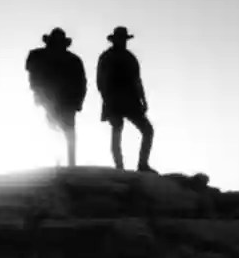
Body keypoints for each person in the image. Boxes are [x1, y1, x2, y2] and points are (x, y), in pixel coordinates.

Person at [26, 27, 88, 167]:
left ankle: (65, 163)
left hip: (63, 101)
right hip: (53, 100)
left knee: (62, 131)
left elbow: (81, 82)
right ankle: (61, 162)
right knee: (58, 130)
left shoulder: (71, 60)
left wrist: (79, 100)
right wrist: (37, 93)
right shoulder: (41, 56)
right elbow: (33, 75)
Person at [96, 26, 155, 172]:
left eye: (123, 39)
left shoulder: (130, 58)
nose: (122, 42)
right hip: (115, 99)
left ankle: (142, 164)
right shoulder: (107, 57)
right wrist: (107, 98)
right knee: (118, 129)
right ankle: (120, 167)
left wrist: (143, 100)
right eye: (120, 39)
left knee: (147, 130)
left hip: (130, 100)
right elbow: (100, 81)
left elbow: (137, 80)